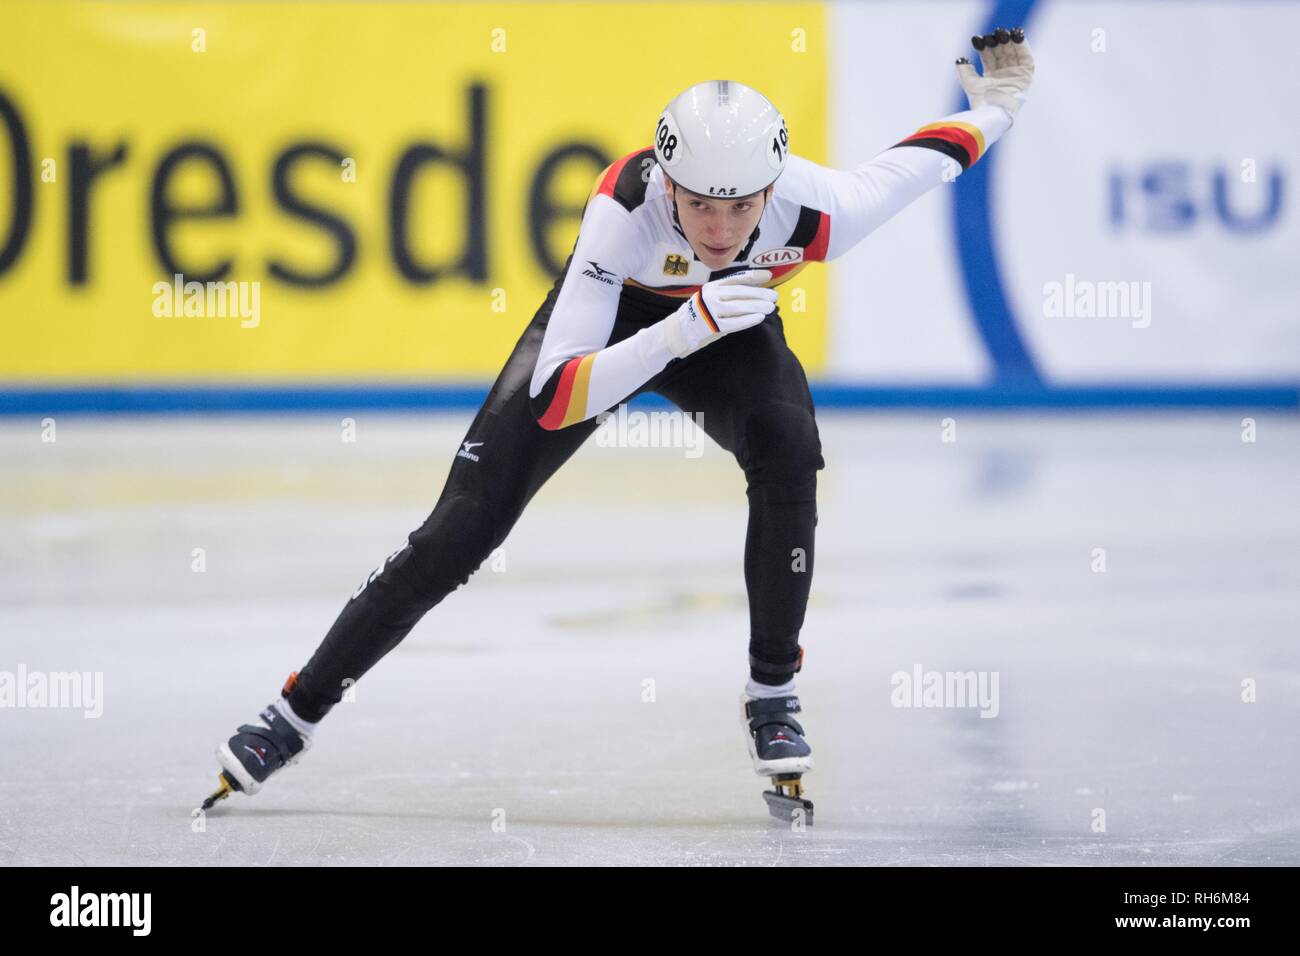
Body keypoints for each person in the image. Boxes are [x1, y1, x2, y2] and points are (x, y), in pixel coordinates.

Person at [202, 29, 1036, 820]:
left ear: (773, 190)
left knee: (790, 449)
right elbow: (559, 395)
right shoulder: (622, 209)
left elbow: (921, 161)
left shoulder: (821, 210)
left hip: (726, 331)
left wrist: (997, 106)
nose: (719, 229)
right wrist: (680, 329)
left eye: (742, 208)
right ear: (667, 181)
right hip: (617, 331)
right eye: (700, 206)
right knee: (459, 532)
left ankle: (773, 691)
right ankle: (294, 711)